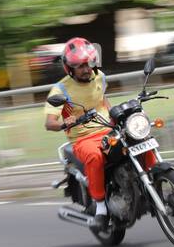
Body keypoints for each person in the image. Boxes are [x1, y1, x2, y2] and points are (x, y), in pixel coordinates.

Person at [44, 37, 156, 231]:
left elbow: (102, 100)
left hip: (108, 129)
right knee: (95, 157)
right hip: (83, 138)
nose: (86, 69)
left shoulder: (99, 77)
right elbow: (49, 123)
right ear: (69, 68)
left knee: (141, 138)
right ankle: (101, 210)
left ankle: (156, 181)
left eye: (88, 63)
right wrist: (65, 122)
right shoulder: (60, 89)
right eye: (79, 66)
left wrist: (117, 118)